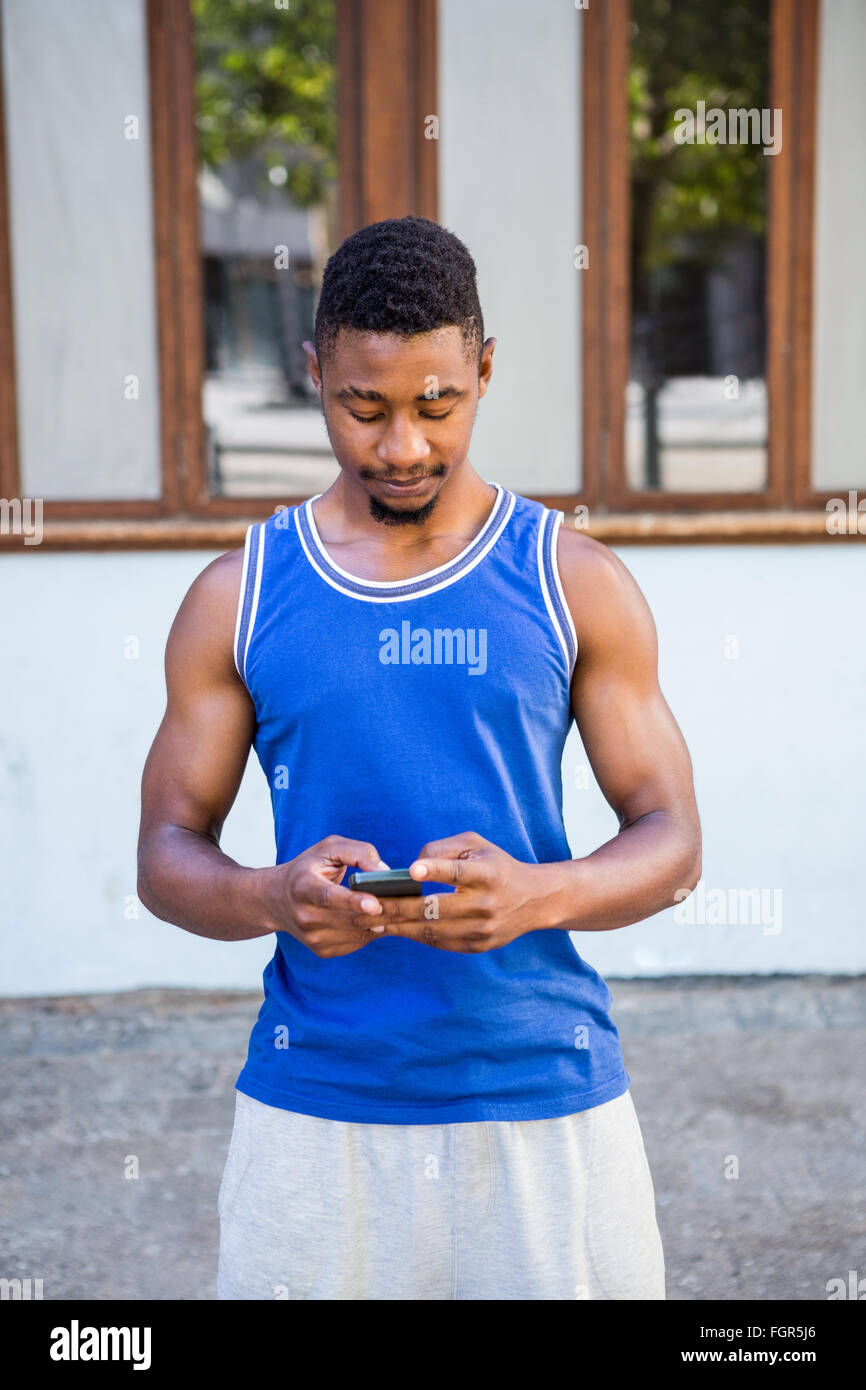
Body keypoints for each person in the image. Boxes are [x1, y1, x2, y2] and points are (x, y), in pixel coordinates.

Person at [137, 215, 702, 1300]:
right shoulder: (237, 596)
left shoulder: (571, 580)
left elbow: (673, 842)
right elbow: (165, 853)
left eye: (436, 403)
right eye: (364, 406)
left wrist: (539, 895)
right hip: (316, 1107)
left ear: (483, 370)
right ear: (313, 374)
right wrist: (270, 892)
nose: (401, 444)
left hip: (542, 1095)